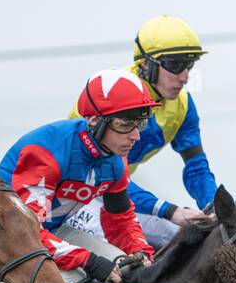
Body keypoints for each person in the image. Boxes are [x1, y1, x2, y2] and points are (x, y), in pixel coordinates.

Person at [0, 68, 159, 283]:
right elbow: (29, 234)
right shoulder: (47, 152)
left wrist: (141, 252)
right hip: (7, 236)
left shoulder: (114, 162)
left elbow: (120, 220)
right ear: (96, 120)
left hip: (48, 231)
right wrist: (89, 261)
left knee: (127, 271)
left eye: (140, 123)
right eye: (126, 123)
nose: (135, 135)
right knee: (68, 280)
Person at [70, 15, 216, 249]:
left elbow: (196, 167)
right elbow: (108, 175)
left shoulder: (183, 105)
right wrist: (170, 210)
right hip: (77, 194)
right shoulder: (111, 95)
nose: (184, 76)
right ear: (145, 64)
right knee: (145, 247)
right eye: (175, 65)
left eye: (189, 65)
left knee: (192, 241)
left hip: (119, 193)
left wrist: (216, 205)